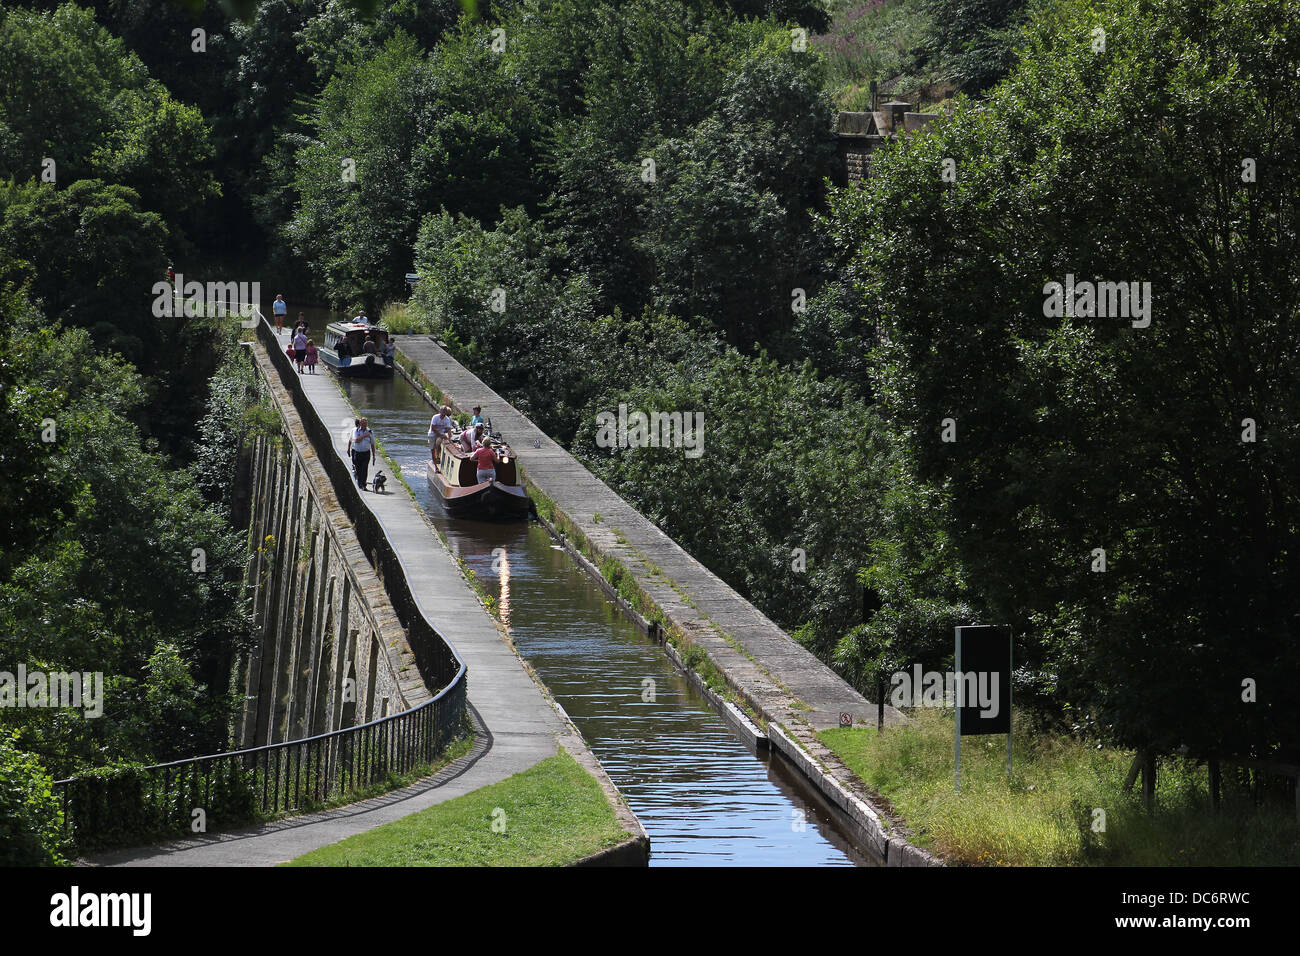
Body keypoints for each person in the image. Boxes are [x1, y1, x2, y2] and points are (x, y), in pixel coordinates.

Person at [348, 418, 374, 490]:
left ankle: (364, 485)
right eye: (362, 423)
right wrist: (365, 436)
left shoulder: (370, 432)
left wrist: (374, 456)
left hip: (366, 453)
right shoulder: (356, 431)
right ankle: (359, 484)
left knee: (364, 468)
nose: (364, 425)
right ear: (360, 424)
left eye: (365, 423)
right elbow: (356, 440)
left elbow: (372, 444)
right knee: (358, 469)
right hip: (357, 453)